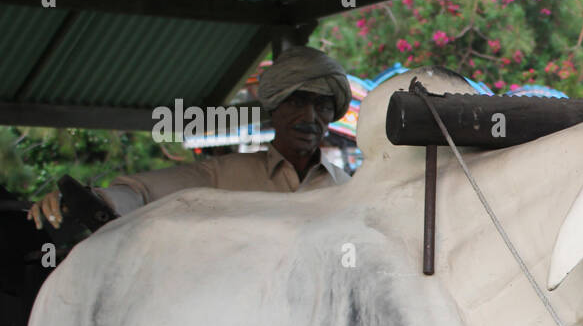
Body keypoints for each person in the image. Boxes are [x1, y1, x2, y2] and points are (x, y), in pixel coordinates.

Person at [28, 46, 351, 230]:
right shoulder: (223, 174)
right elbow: (142, 192)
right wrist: (87, 201)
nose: (310, 118)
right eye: (297, 102)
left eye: (323, 105)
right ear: (274, 107)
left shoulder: (347, 188)